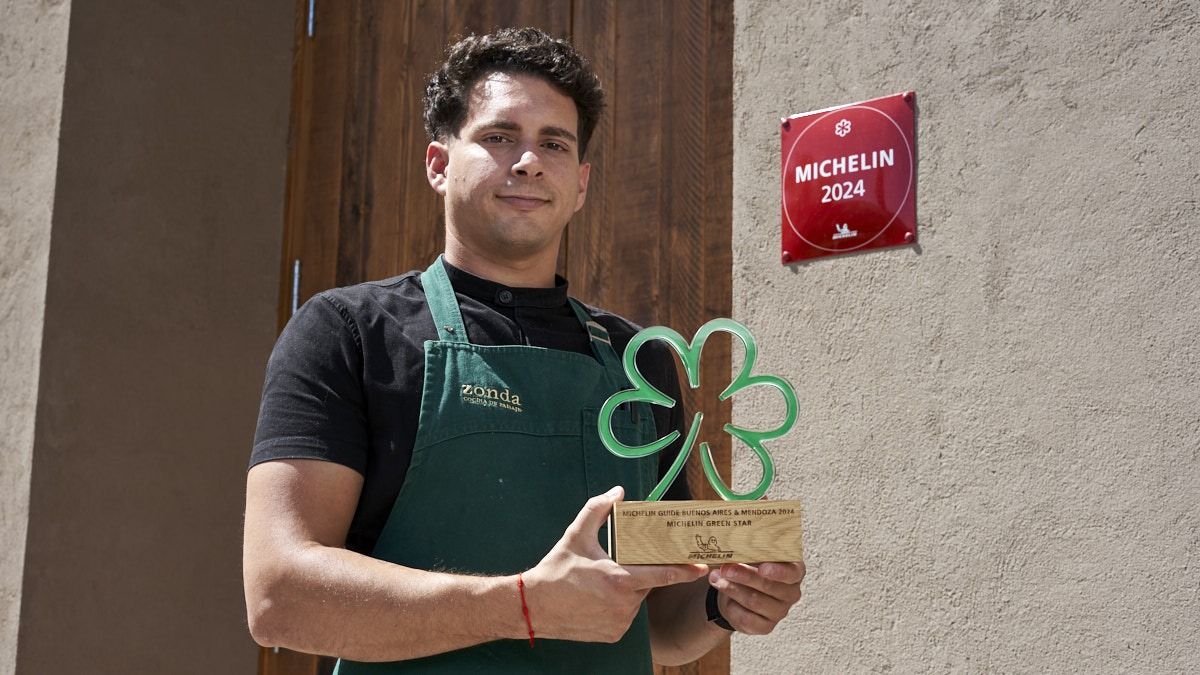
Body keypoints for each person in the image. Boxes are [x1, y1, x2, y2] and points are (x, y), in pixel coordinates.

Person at [243, 27, 804, 673]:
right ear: (437, 162)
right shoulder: (348, 331)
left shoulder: (638, 361)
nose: (529, 161)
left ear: (582, 182)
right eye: (498, 136)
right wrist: (524, 605)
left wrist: (725, 603)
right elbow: (280, 596)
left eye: (554, 143)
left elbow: (653, 627)